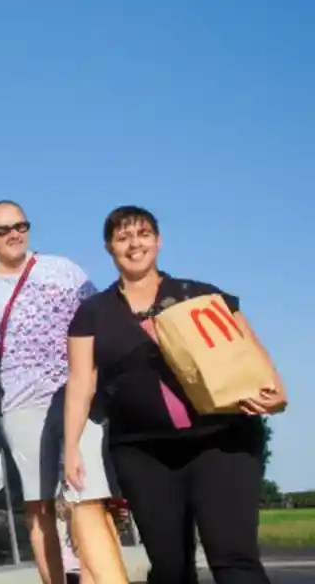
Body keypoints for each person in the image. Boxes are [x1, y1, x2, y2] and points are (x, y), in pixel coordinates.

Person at [64, 205, 287, 584]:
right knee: (169, 568)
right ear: (108, 248)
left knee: (233, 558)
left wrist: (275, 395)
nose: (135, 244)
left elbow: (252, 357)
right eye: (123, 237)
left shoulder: (199, 295)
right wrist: (70, 449)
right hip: (142, 451)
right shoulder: (92, 313)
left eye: (143, 234)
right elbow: (81, 384)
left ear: (158, 240)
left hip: (221, 442)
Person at [0, 200, 113, 584]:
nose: (14, 234)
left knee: (89, 498)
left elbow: (101, 322)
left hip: (78, 395)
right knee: (39, 504)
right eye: (2, 230)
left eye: (21, 226)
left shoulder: (64, 270)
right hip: (21, 405)